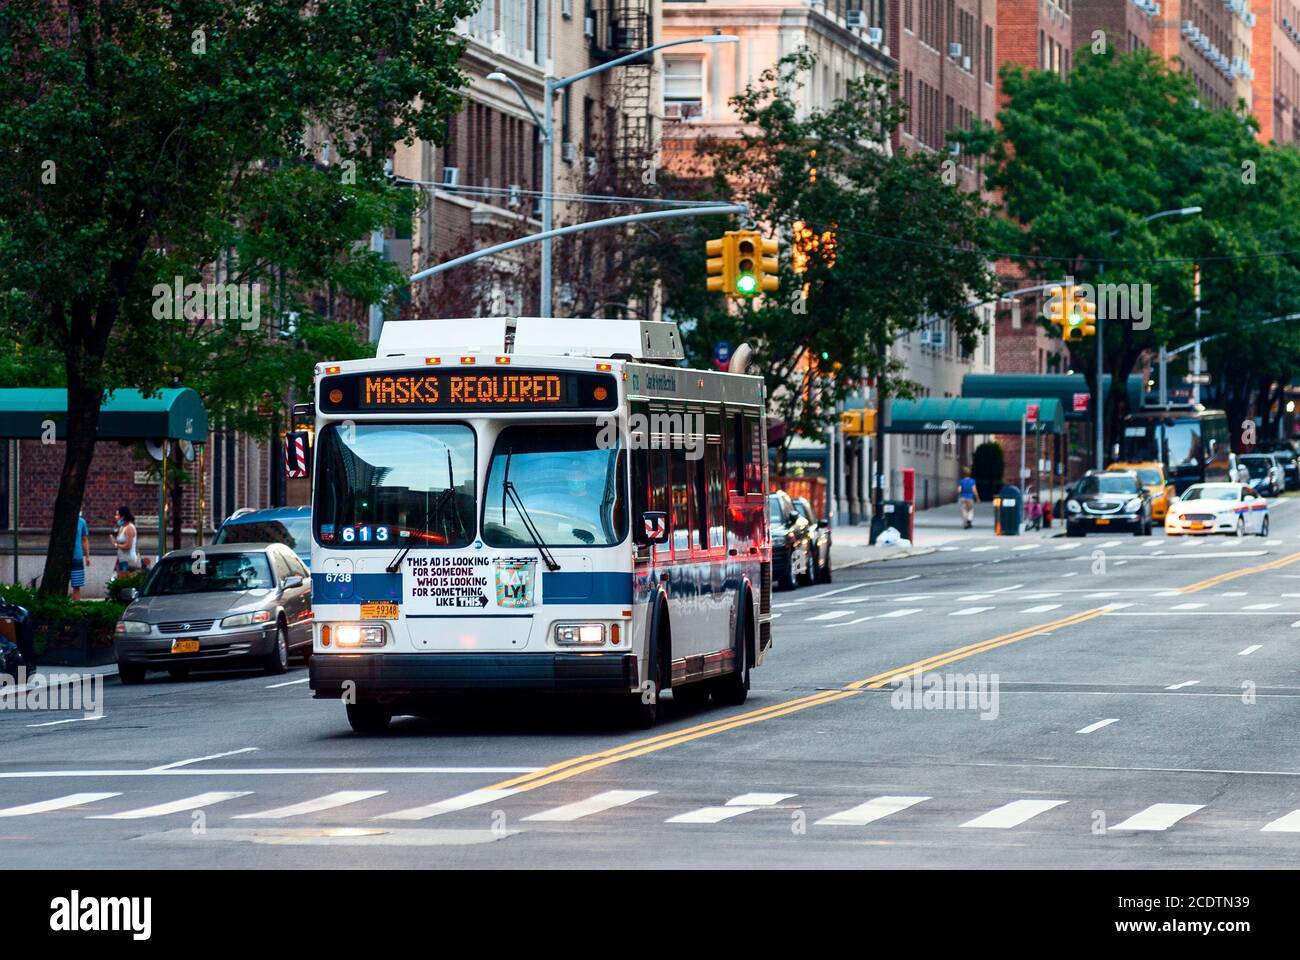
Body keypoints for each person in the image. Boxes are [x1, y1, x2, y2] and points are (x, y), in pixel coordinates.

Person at [111, 506, 140, 573]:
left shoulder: (129, 528)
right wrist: (114, 540)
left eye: (117, 515)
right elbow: (121, 542)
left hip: (128, 561)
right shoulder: (122, 527)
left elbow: (128, 546)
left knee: (125, 581)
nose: (116, 517)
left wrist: (115, 544)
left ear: (123, 517)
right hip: (122, 559)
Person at [70, 509, 91, 601]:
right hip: (76, 556)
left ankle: (75, 605)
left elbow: (84, 539)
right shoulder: (81, 522)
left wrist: (87, 556)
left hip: (76, 556)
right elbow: (84, 539)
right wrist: (87, 556)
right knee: (76, 585)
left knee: (76, 585)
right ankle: (75, 605)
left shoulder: (81, 521)